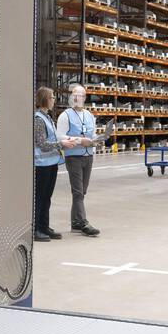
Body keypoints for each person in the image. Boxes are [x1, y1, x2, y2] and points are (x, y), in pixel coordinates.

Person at [32, 87, 80, 242]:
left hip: (51, 163)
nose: (54, 100)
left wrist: (64, 142)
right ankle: (36, 229)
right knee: (40, 198)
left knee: (47, 197)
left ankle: (44, 226)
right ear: (45, 99)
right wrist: (62, 144)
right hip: (42, 165)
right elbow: (43, 144)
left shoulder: (47, 117)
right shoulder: (38, 119)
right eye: (52, 97)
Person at [57, 83, 101, 236]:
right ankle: (83, 223)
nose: (77, 97)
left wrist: (97, 140)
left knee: (82, 191)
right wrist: (79, 140)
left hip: (88, 156)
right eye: (74, 94)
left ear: (84, 97)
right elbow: (60, 137)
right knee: (77, 191)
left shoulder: (89, 115)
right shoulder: (65, 115)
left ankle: (75, 223)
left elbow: (92, 134)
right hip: (74, 157)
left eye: (80, 95)